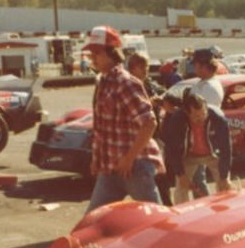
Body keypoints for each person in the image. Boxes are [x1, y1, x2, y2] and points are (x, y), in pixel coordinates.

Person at [83, 25, 164, 212]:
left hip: (134, 168)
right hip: (110, 169)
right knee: (93, 221)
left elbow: (149, 123)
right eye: (91, 53)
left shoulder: (125, 82)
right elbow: (102, 127)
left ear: (111, 53)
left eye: (96, 53)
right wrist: (97, 159)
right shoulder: (103, 82)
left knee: (155, 222)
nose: (92, 58)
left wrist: (129, 159)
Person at [167, 91, 232, 203]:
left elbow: (226, 148)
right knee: (181, 189)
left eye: (204, 114)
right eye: (196, 116)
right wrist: (180, 174)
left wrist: (224, 176)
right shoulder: (176, 120)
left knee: (225, 186)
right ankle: (182, 216)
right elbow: (172, 149)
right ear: (187, 113)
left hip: (213, 154)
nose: (201, 118)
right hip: (188, 155)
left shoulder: (218, 118)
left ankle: (225, 212)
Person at [127, 52, 171, 205]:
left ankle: (166, 203)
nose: (147, 70)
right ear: (134, 68)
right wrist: (152, 102)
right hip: (142, 138)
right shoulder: (129, 86)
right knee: (151, 176)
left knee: (161, 174)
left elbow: (163, 92)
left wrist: (161, 98)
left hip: (155, 135)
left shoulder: (147, 83)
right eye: (143, 67)